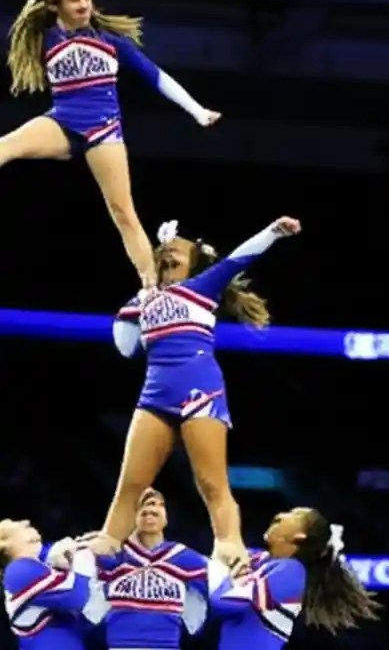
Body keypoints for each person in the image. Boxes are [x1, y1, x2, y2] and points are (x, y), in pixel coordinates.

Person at [94, 217, 302, 571]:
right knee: (131, 482)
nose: (170, 250)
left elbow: (239, 258)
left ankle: (229, 548)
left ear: (195, 263)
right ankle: (106, 546)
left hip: (200, 390)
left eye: (180, 249)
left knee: (211, 481)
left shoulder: (202, 287)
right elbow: (126, 347)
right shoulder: (146, 297)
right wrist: (137, 303)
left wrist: (272, 232)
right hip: (156, 394)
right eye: (165, 251)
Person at [3, 0, 221, 290]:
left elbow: (156, 76)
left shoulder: (111, 42)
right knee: (6, 146)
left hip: (103, 130)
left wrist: (197, 110)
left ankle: (151, 288)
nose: (84, 5)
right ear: (55, 6)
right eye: (75, 0)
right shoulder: (46, 37)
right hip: (62, 121)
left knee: (122, 211)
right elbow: (30, 15)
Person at [207, 507, 379, 648]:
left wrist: (230, 576)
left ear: (299, 536)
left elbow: (222, 604)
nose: (281, 514)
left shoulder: (292, 572)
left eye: (295, 515)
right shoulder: (257, 558)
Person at [92, 488, 212, 649]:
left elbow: (208, 599)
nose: (151, 508)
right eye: (144, 505)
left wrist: (191, 624)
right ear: (132, 516)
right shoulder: (114, 555)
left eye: (158, 504)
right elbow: (90, 605)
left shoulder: (186, 558)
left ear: (166, 518)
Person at [0, 518, 97, 649]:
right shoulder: (17, 570)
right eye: (18, 526)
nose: (26, 522)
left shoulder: (41, 568)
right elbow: (76, 597)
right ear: (5, 546)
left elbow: (86, 617)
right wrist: (84, 555)